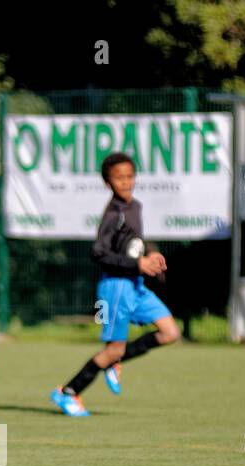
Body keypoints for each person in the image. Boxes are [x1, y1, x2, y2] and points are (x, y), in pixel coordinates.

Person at [50, 152, 180, 417]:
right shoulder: (113, 214)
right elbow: (98, 253)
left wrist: (151, 254)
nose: (126, 182)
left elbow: (136, 243)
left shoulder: (135, 207)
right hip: (116, 288)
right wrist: (138, 264)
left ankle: (115, 361)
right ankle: (68, 393)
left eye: (130, 176)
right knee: (113, 349)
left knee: (170, 333)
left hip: (136, 284)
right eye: (119, 178)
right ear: (107, 182)